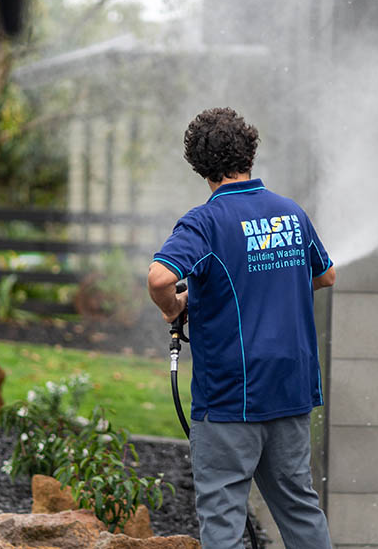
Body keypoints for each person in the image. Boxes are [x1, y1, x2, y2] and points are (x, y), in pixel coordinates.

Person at [147, 107, 335, 548]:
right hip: (290, 392)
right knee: (300, 509)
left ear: (200, 165)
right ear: (250, 152)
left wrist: (175, 307)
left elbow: (159, 278)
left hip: (231, 399)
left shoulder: (206, 222)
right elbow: (326, 275)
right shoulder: (291, 214)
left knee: (223, 519)